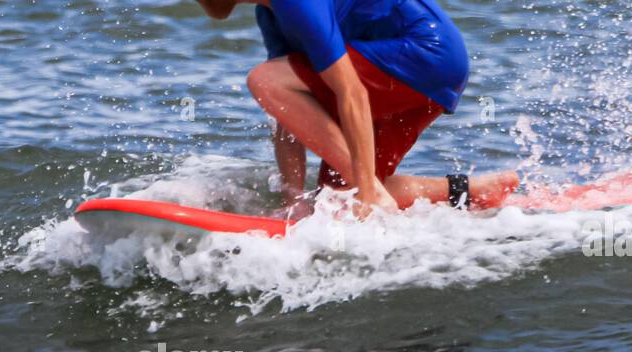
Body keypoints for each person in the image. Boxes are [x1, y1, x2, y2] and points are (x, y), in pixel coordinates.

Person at [195, 0, 518, 217]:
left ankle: (376, 196)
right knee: (336, 200)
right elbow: (285, 110)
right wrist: (293, 205)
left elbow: (351, 92)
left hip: (425, 56)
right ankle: (471, 191)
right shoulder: (271, 13)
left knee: (264, 79)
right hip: (428, 73)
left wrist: (368, 192)